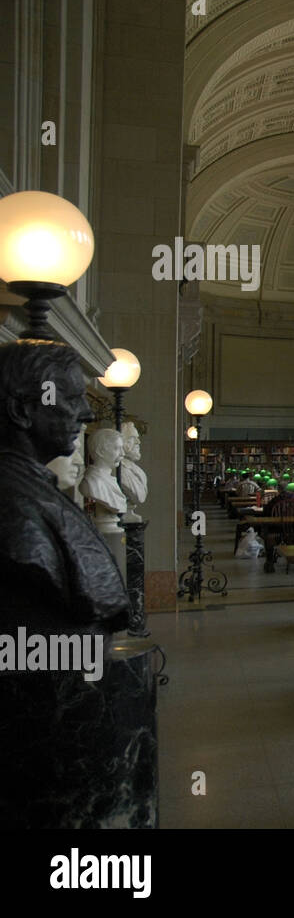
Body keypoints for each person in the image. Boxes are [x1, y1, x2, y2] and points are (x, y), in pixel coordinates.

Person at [0, 340, 130, 827]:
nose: (82, 414)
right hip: (45, 732)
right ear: (21, 409)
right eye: (70, 398)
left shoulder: (38, 491)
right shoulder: (12, 508)